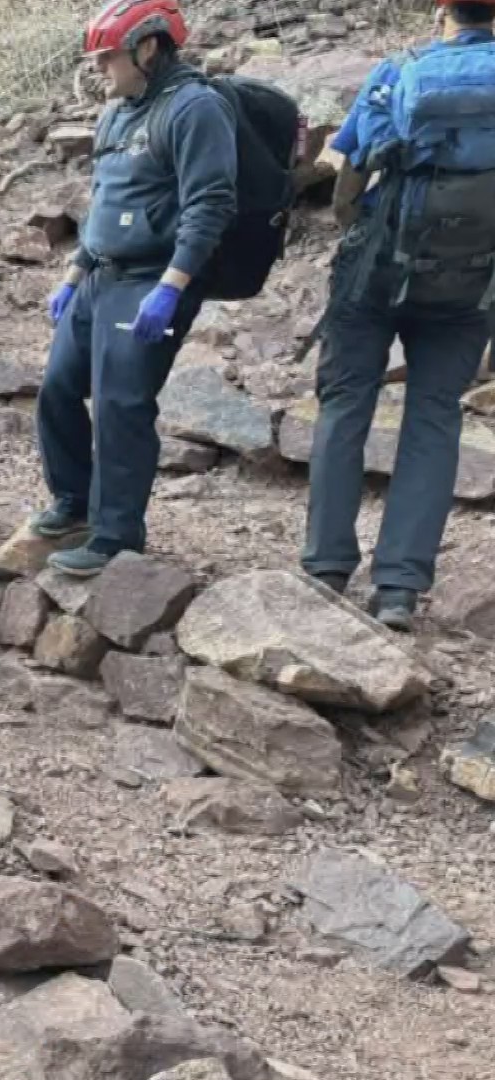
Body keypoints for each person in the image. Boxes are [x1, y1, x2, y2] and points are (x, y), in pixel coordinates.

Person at [299, 0, 495, 630]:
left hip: (375, 271)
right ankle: (399, 591)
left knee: (345, 404)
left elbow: (345, 162)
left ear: (443, 11)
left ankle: (326, 570)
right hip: (468, 284)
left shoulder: (398, 68)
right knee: (434, 421)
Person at [33, 0, 238, 577]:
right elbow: (106, 200)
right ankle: (74, 501)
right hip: (100, 276)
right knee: (58, 388)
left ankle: (116, 535)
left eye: (108, 58)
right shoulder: (118, 113)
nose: (101, 70)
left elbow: (210, 204)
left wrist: (173, 286)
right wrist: (74, 274)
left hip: (153, 280)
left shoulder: (196, 109)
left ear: (148, 48)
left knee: (122, 403)